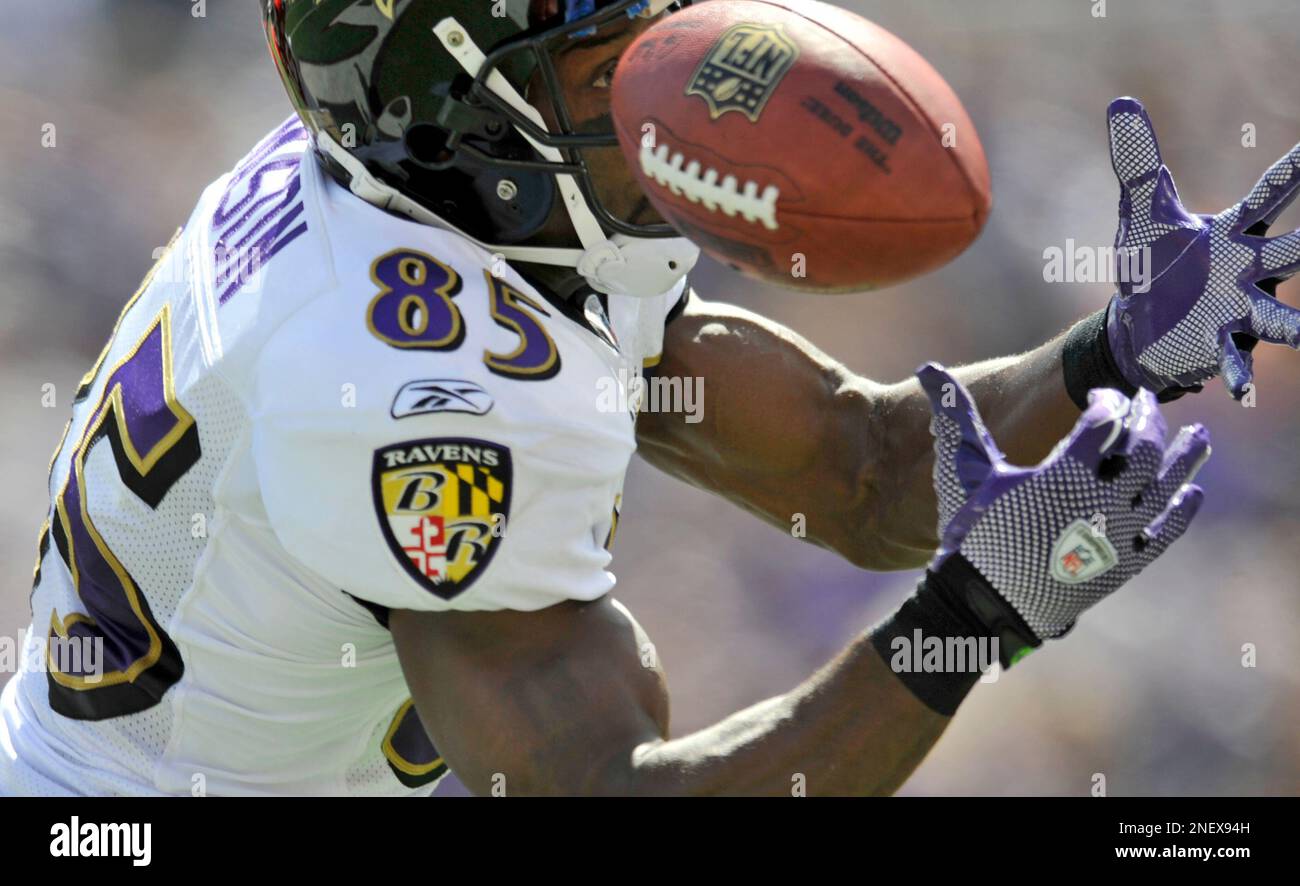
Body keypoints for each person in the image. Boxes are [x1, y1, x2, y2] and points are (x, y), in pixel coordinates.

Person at [2, 0, 1296, 796]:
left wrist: (1119, 347)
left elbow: (865, 470)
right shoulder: (413, 391)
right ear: (471, 103)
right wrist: (975, 617)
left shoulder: (455, 200)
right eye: (604, 37)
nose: (674, 51)